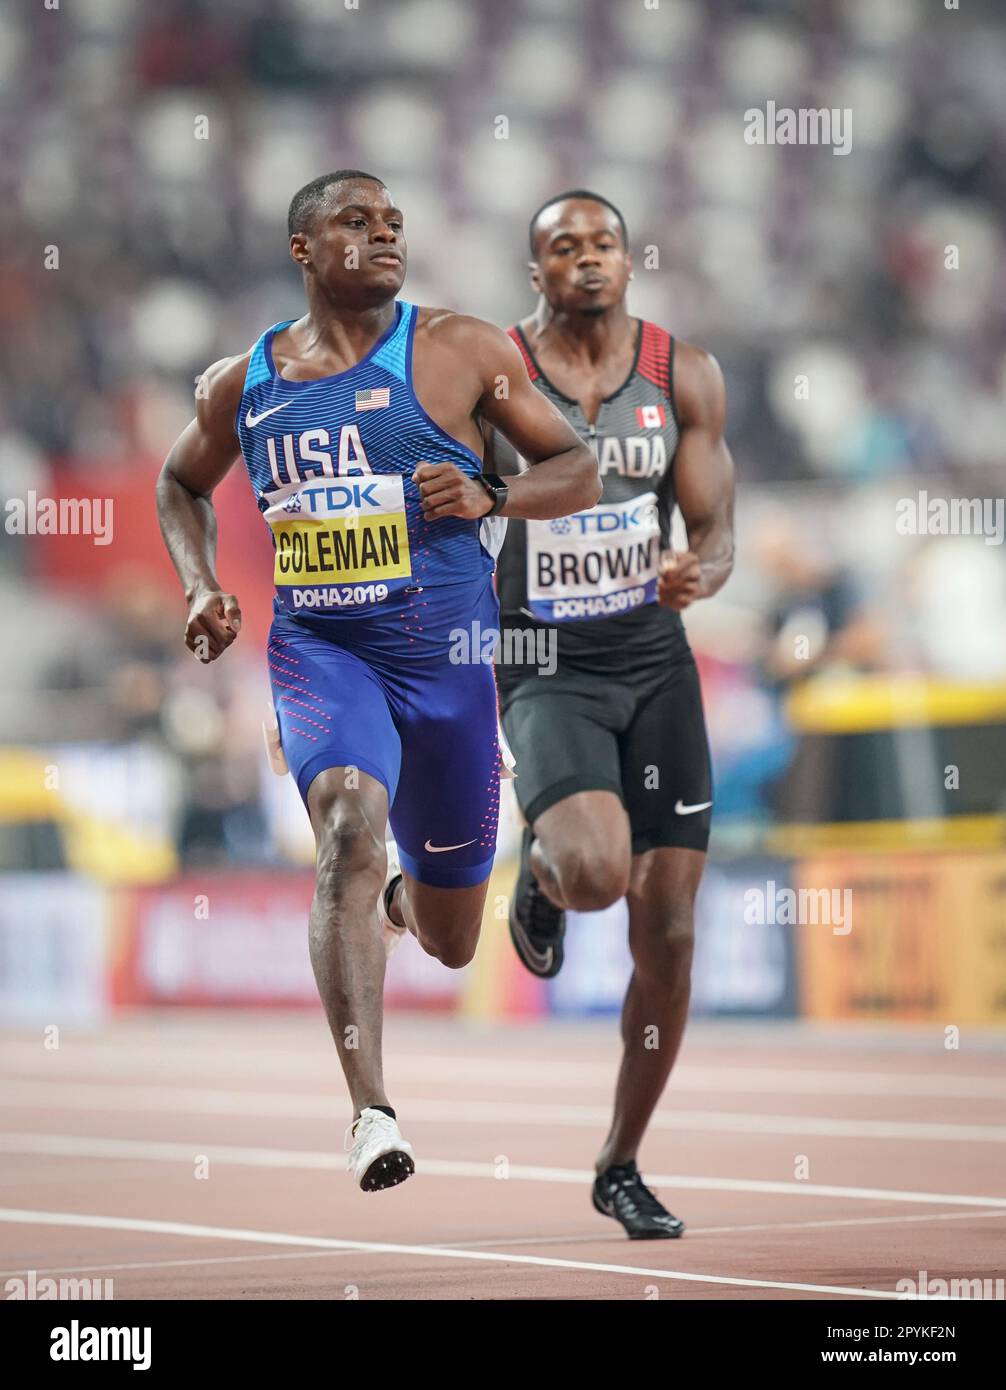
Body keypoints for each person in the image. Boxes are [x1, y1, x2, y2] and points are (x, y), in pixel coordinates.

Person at [156, 171, 599, 1193]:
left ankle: (405, 907)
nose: (384, 235)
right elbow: (180, 482)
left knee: (449, 941)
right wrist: (201, 586)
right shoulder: (244, 381)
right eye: (357, 221)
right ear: (305, 248)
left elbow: (574, 469)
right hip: (322, 654)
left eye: (395, 222)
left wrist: (493, 489)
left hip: (446, 668)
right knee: (349, 823)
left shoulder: (462, 351)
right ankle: (371, 1109)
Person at [490, 190, 735, 1238]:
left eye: (604, 245)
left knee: (669, 931)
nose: (588, 261)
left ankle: (619, 1161)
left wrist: (701, 571)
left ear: (630, 259)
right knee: (594, 874)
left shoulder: (683, 372)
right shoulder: (494, 372)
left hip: (653, 661)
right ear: (534, 271)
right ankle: (541, 877)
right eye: (563, 248)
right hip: (542, 658)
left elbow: (717, 527)